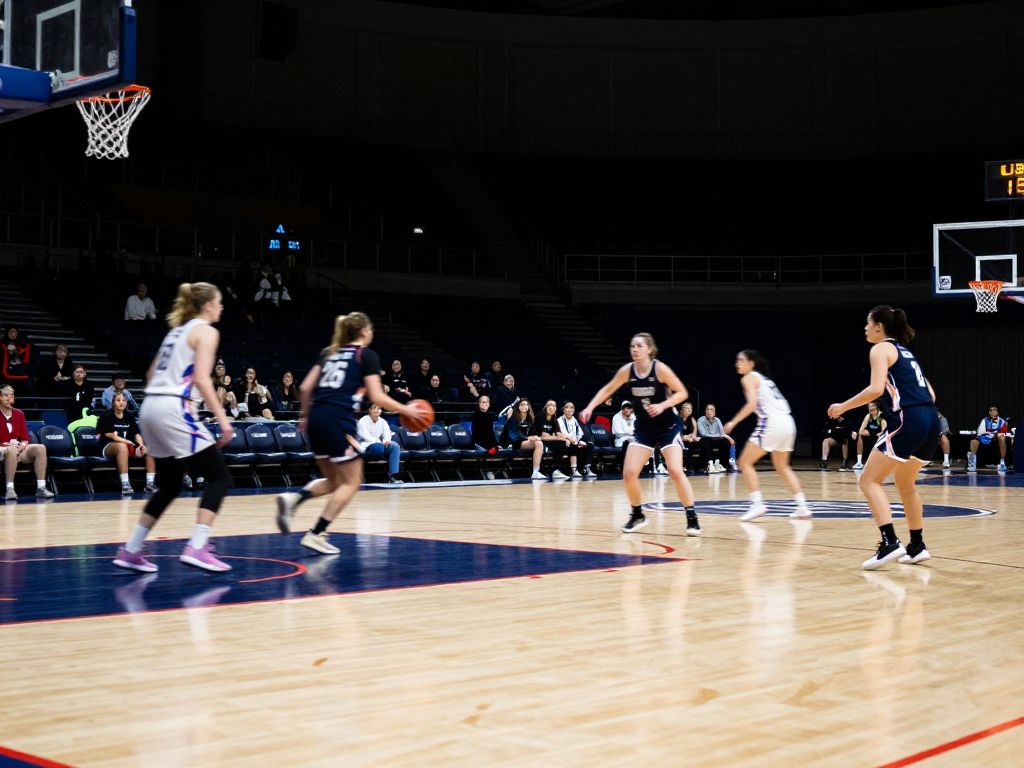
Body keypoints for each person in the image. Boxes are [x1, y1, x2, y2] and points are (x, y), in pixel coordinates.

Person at [274, 312, 429, 554]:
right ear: (364, 331)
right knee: (353, 481)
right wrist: (406, 409)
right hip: (338, 418)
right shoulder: (365, 355)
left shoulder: (329, 351)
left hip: (315, 417)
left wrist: (304, 416)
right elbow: (377, 397)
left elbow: (304, 388)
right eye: (371, 329)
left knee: (336, 481)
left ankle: (294, 500)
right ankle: (316, 533)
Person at [112, 282, 236, 574]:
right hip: (173, 407)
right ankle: (197, 546)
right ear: (207, 305)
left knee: (170, 484)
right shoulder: (206, 331)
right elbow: (204, 380)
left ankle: (131, 549)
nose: (221, 307)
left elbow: (151, 373)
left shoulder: (176, 332)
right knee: (220, 478)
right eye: (219, 302)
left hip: (149, 406)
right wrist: (222, 419)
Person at [827, 305, 940, 569]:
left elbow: (876, 389)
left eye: (868, 323)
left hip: (910, 419)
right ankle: (917, 545)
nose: (865, 328)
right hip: (932, 420)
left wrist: (843, 406)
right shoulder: (906, 352)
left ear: (879, 326)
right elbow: (932, 395)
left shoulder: (880, 349)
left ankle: (890, 541)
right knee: (905, 482)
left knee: (869, 480)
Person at [580, 332, 701, 536]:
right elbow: (608, 389)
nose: (634, 349)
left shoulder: (659, 369)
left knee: (675, 470)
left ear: (649, 349)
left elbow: (682, 392)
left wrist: (663, 405)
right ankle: (638, 514)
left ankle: (692, 517)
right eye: (632, 346)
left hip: (668, 428)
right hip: (644, 429)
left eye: (639, 346)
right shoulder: (627, 371)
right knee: (628, 473)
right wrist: (590, 406)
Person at [722, 350, 812, 522]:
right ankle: (802, 507)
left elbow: (752, 404)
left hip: (772, 422)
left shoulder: (748, 378)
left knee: (744, 462)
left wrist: (733, 422)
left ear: (751, 363)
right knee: (782, 466)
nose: (737, 363)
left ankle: (757, 504)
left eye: (741, 360)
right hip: (788, 422)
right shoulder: (765, 380)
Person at [97, 391, 157, 495]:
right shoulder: (106, 415)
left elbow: (136, 434)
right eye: (118, 400)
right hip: (107, 447)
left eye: (124, 400)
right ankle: (125, 484)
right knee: (122, 446)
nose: (122, 402)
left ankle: (150, 484)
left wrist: (141, 445)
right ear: (113, 403)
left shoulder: (129, 416)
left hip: (128, 446)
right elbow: (110, 435)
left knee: (149, 450)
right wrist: (128, 442)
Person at [0, 385, 55, 499]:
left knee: (40, 448)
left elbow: (25, 437)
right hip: (3, 448)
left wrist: (23, 445)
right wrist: (12, 446)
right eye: (6, 395)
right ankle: (9, 489)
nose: (9, 397)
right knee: (11, 450)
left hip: (16, 448)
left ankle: (41, 488)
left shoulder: (19, 414)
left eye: (11, 395)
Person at [500, 397, 545, 479]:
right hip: (513, 442)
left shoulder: (530, 418)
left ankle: (535, 472)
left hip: (524, 441)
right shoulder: (514, 417)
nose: (524, 406)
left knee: (539, 443)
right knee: (539, 444)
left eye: (526, 404)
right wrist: (528, 438)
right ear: (518, 406)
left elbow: (534, 432)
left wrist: (534, 437)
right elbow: (513, 433)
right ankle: (535, 472)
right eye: (522, 404)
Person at [357, 403, 403, 484]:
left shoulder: (382, 421)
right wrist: (380, 442)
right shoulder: (363, 421)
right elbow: (366, 437)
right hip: (366, 447)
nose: (377, 410)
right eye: (374, 408)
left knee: (395, 447)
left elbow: (387, 434)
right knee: (379, 447)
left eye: (379, 408)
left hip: (379, 445)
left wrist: (386, 441)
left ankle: (393, 476)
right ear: (369, 410)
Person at [557, 401, 596, 478]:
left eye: (571, 407)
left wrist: (578, 441)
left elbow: (580, 433)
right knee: (573, 445)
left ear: (574, 410)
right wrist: (572, 440)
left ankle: (587, 469)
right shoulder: (560, 420)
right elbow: (562, 433)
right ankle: (574, 471)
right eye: (567, 407)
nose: (569, 409)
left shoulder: (574, 420)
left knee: (590, 445)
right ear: (563, 409)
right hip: (565, 442)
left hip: (575, 441)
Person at [535, 400, 571, 479]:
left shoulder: (554, 419)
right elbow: (543, 436)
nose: (552, 407)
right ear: (546, 407)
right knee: (560, 442)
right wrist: (557, 438)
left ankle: (555, 470)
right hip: (537, 440)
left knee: (562, 444)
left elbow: (558, 433)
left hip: (548, 440)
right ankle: (542, 470)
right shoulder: (540, 416)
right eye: (549, 405)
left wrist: (565, 438)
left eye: (554, 406)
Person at [968, 405, 1010, 473]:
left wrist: (995, 434)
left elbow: (1004, 433)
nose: (992, 411)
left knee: (1001, 437)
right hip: (985, 438)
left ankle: (1002, 463)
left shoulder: (1002, 422)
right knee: (973, 441)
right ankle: (972, 464)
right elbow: (980, 432)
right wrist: (988, 434)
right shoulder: (984, 420)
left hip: (996, 439)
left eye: (994, 410)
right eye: (990, 410)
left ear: (997, 412)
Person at [697, 403, 734, 474]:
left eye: (711, 409)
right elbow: (703, 434)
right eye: (707, 409)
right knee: (705, 440)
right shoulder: (701, 420)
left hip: (715, 440)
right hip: (705, 440)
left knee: (725, 442)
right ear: (705, 411)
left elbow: (722, 433)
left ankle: (720, 464)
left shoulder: (717, 420)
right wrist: (718, 435)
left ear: (714, 412)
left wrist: (728, 437)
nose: (709, 411)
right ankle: (710, 464)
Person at [852, 401, 887, 470]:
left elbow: (884, 432)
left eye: (873, 406)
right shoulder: (868, 416)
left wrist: (875, 433)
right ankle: (859, 462)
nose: (871, 408)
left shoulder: (882, 416)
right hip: (871, 436)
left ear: (877, 408)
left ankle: (882, 462)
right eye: (869, 407)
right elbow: (861, 431)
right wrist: (873, 433)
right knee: (859, 436)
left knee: (882, 438)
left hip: (878, 438)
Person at [1, 326, 33, 391]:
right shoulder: (2, 345)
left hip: (23, 376)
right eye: (10, 331)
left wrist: (15, 352)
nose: (12, 333)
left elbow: (28, 361)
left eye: (14, 331)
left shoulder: (25, 345)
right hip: (5, 377)